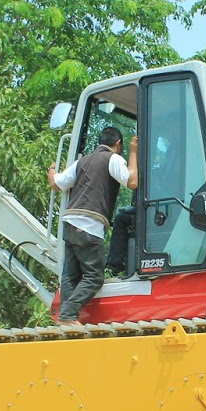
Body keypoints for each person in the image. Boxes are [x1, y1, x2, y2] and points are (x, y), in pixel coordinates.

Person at [48, 125, 137, 324]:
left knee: (71, 276)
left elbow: (56, 183)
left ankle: (65, 316)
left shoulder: (82, 161)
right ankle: (68, 314)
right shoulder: (112, 158)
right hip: (89, 224)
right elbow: (131, 180)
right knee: (94, 277)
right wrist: (134, 152)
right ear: (118, 144)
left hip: (69, 223)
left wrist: (51, 169)